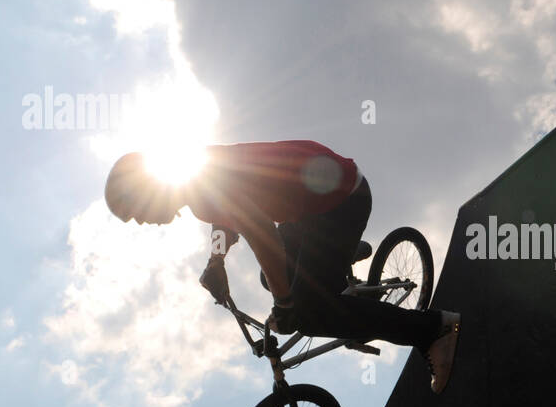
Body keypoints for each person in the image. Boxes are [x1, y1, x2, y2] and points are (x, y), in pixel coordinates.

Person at [104, 141, 460, 393]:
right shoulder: (197, 179)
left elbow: (264, 240)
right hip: (306, 211)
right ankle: (338, 261)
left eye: (136, 214)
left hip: (339, 202)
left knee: (309, 314)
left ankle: (432, 330)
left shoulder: (200, 184)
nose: (142, 223)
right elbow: (224, 221)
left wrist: (286, 304)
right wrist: (217, 259)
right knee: (270, 278)